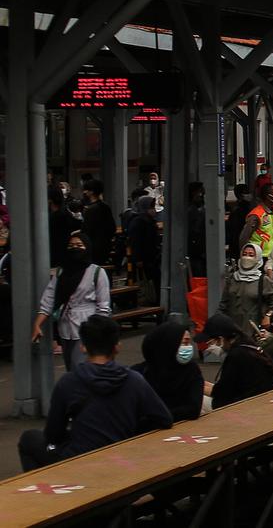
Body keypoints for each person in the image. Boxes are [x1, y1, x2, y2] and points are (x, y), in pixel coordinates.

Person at [18, 315, 172, 471]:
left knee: (29, 439)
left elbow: (53, 435)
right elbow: (164, 419)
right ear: (117, 346)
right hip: (125, 463)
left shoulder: (69, 382)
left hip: (80, 463)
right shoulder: (134, 380)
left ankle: (45, 488)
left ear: (83, 346)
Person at [32, 232, 112, 370]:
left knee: (79, 366)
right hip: (65, 327)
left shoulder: (97, 272)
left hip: (87, 327)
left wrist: (96, 331)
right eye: (71, 246)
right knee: (70, 367)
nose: (75, 248)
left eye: (79, 245)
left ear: (87, 247)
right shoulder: (61, 272)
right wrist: (37, 324)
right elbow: (49, 299)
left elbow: (104, 306)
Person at [195, 313, 273, 409]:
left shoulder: (236, 355)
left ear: (221, 339)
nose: (210, 346)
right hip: (262, 401)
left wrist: (194, 387)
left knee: (195, 403)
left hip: (245, 408)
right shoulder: (250, 347)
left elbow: (221, 394)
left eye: (211, 342)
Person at [132, 321, 203, 422]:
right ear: (170, 344)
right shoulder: (140, 373)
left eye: (189, 343)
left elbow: (193, 409)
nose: (188, 347)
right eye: (184, 343)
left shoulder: (191, 370)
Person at [220, 243, 273, 333]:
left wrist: (268, 316)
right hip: (232, 329)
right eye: (244, 254)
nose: (247, 258)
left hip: (253, 329)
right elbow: (223, 304)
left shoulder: (263, 280)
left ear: (258, 258)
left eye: (251, 255)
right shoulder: (232, 278)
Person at [239, 182, 273, 279]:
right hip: (259, 257)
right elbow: (244, 237)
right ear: (268, 196)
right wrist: (247, 257)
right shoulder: (256, 215)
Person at [81, 179, 116, 266]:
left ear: (91, 192)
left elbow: (86, 230)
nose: (84, 192)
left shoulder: (89, 210)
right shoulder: (105, 206)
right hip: (105, 246)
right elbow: (112, 227)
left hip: (92, 248)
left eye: (86, 190)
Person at [226, 183, 253, 258]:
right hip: (239, 244)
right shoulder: (239, 210)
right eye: (246, 192)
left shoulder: (247, 207)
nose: (249, 195)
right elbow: (235, 230)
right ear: (240, 195)